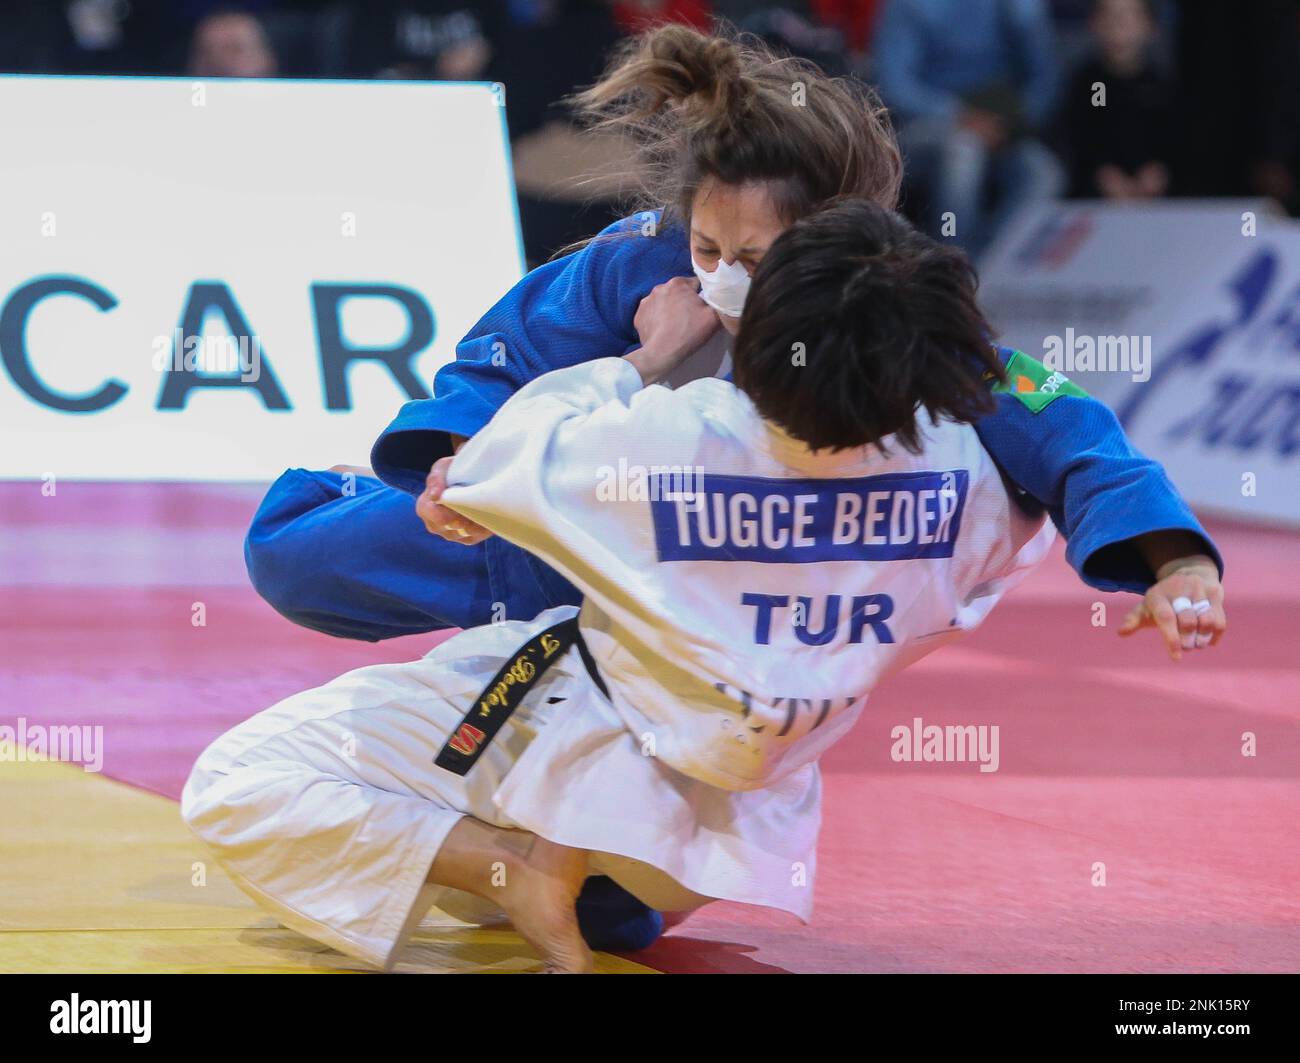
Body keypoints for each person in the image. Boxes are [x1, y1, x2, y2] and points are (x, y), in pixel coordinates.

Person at [243, 24, 1225, 951]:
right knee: (291, 556)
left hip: (690, 603)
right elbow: (498, 362)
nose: (719, 278)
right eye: (708, 250)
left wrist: (1170, 559)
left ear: (836, 236)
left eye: (753, 260)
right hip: (550, 532)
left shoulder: (888, 304)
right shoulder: (638, 262)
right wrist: (451, 462)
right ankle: (373, 540)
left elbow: (1069, 433)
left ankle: (545, 838)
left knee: (616, 919)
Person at [183, 199, 1059, 973]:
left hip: (587, 758)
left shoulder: (676, 435)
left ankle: (516, 864)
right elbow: (1054, 474)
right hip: (720, 849)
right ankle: (552, 874)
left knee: (243, 777)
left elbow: (489, 463)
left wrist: (649, 355)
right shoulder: (970, 486)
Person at [872, 0, 1064, 253]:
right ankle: (952, 264)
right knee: (964, 149)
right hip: (926, 127)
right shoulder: (910, 6)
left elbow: (1045, 79)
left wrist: (1013, 120)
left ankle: (991, 263)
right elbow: (894, 86)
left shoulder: (1015, 7)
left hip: (998, 127)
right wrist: (958, 115)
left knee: (1042, 172)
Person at [1059, 0, 1176, 200]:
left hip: (1155, 194)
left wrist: (1159, 169)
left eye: (1129, 16)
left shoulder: (1157, 84)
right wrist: (1103, 172)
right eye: (1110, 16)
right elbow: (1091, 131)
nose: (1119, 24)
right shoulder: (1097, 84)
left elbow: (1172, 135)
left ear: (1150, 25)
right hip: (1100, 193)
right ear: (1094, 23)